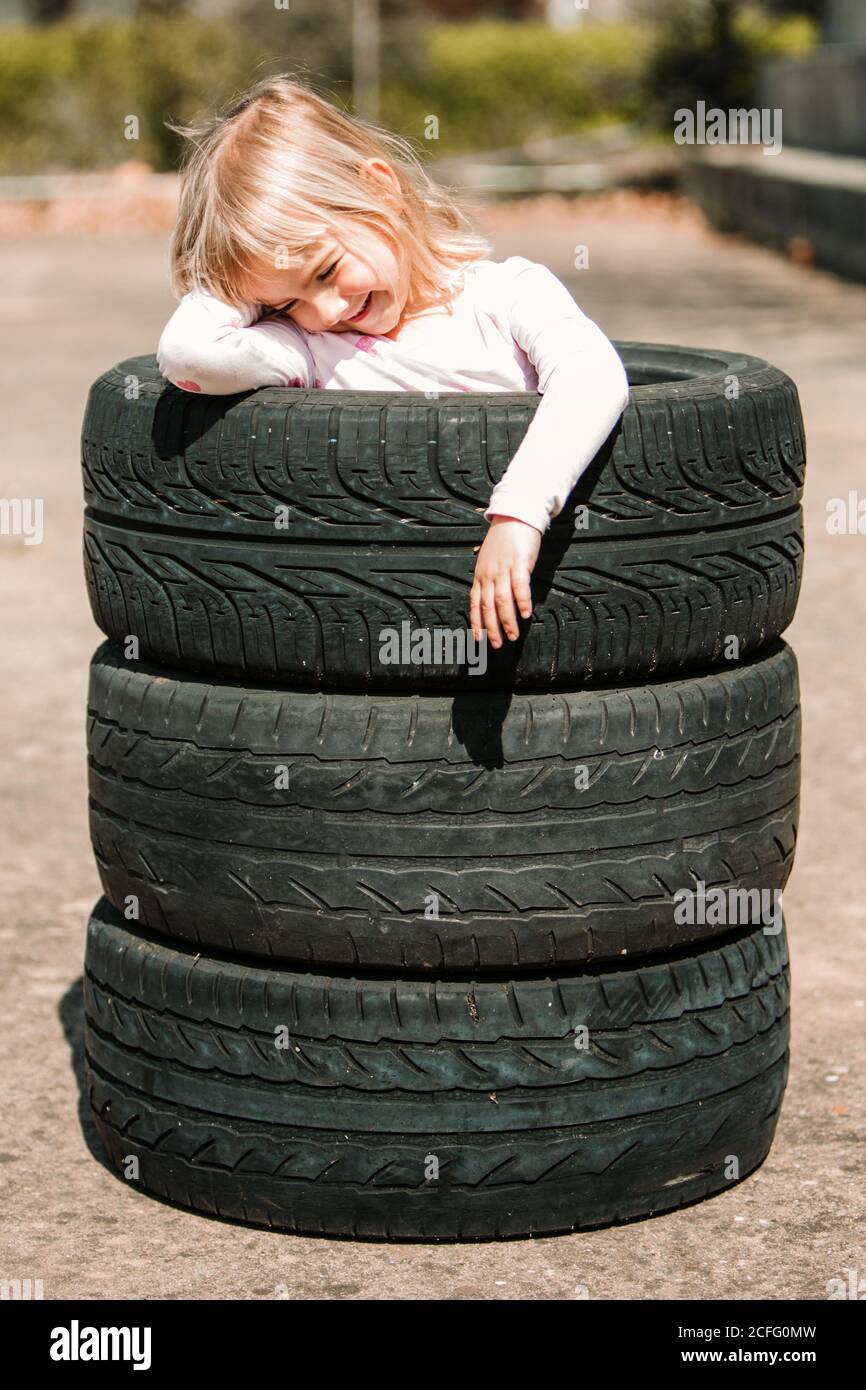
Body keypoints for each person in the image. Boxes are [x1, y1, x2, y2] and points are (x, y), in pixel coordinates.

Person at [157, 76, 630, 651]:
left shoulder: (505, 297)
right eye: (285, 301)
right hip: (378, 627)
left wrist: (519, 513)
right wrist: (239, 280)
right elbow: (189, 356)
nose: (325, 310)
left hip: (532, 601)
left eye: (327, 271)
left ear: (380, 191)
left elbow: (593, 377)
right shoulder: (309, 348)